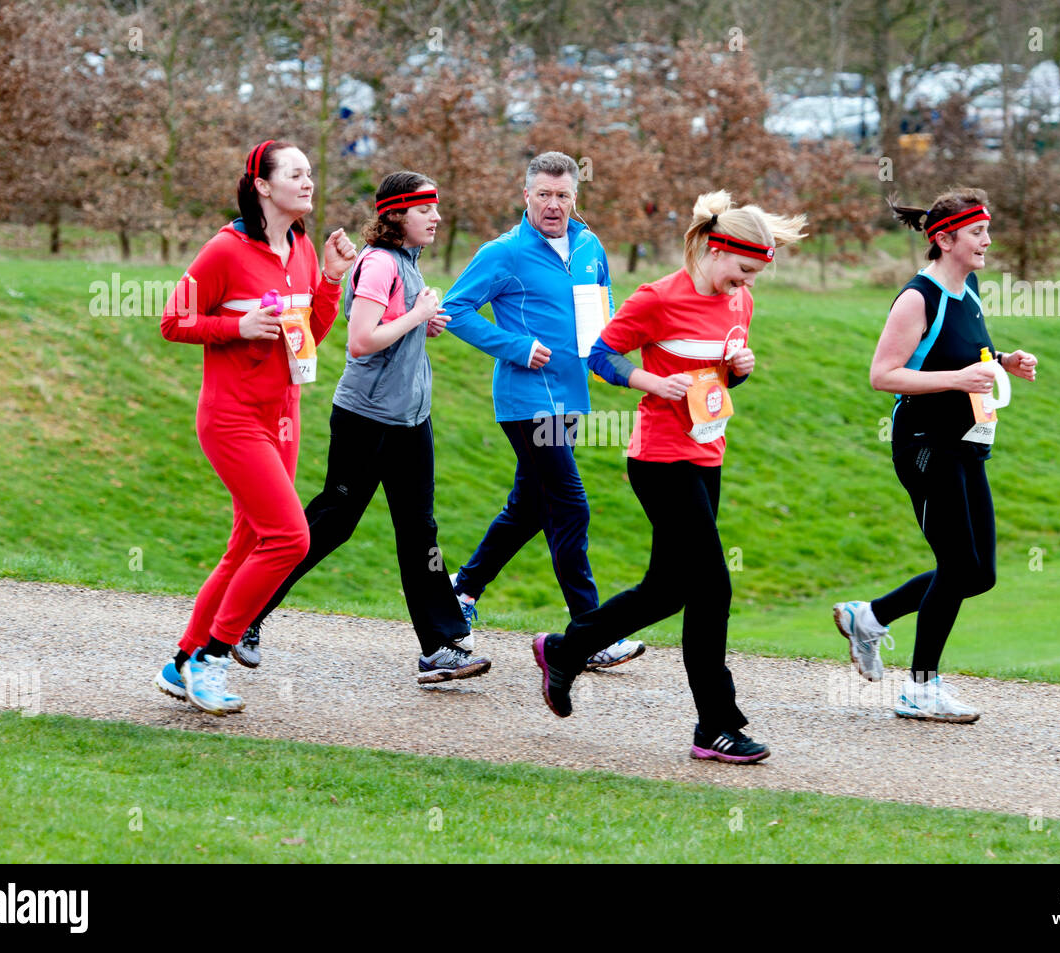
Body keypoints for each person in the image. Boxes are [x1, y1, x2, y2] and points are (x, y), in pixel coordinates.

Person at [530, 190, 807, 764]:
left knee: (668, 589)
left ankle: (567, 648)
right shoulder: (658, 297)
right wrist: (652, 384)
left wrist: (738, 371)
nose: (746, 286)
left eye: (755, 276)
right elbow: (600, 355)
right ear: (713, 247)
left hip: (708, 454)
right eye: (742, 272)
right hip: (659, 459)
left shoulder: (740, 305)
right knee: (712, 587)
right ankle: (716, 725)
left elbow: (718, 380)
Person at [229, 172, 491, 684]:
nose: (436, 217)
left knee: (420, 529)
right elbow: (361, 342)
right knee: (332, 522)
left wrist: (422, 321)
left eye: (435, 208)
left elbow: (393, 327)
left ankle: (440, 645)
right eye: (425, 209)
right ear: (396, 215)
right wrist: (417, 314)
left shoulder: (406, 264)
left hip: (411, 420)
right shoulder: (378, 265)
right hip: (367, 419)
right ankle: (242, 617)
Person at [155, 139, 356, 714]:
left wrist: (332, 280)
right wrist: (237, 328)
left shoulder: (302, 247)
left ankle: (182, 660)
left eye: (311, 173)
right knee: (291, 538)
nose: (308, 182)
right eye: (296, 174)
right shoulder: (225, 249)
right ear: (263, 186)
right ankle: (211, 660)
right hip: (232, 418)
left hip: (284, 417)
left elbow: (309, 337)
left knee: (248, 542)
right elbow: (173, 321)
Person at [833, 188, 1037, 723]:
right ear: (944, 239)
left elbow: (967, 355)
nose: (987, 241)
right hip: (925, 445)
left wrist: (1004, 361)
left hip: (968, 443)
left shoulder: (968, 295)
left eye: (986, 231)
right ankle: (920, 689)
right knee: (957, 564)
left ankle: (870, 617)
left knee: (979, 574)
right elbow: (884, 375)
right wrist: (957, 378)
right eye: (977, 232)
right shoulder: (917, 297)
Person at [441, 151, 644, 670]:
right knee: (570, 506)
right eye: (544, 195)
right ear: (525, 194)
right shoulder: (504, 252)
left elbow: (603, 305)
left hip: (573, 394)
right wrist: (514, 345)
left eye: (563, 195)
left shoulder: (589, 244)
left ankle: (461, 591)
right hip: (527, 400)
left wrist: (613, 362)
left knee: (529, 506)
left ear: (575, 197)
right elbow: (456, 309)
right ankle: (590, 633)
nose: (553, 205)